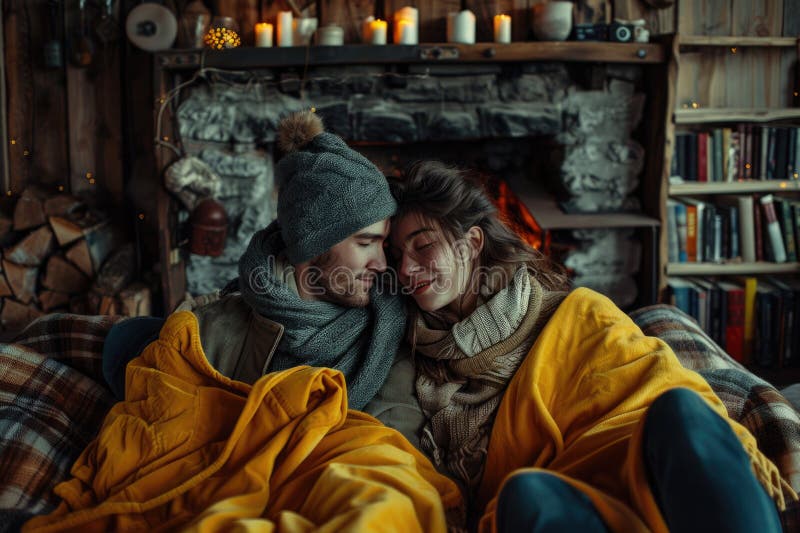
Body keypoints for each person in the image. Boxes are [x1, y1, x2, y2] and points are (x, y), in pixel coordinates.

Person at [387, 160, 795, 532]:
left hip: (645, 458)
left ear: (473, 242)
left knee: (680, 409)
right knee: (524, 493)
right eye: (397, 254)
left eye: (423, 246)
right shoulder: (412, 356)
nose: (406, 269)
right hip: (571, 494)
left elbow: (650, 382)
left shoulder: (577, 313)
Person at [102, 110, 424, 439]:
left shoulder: (387, 336)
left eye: (384, 244)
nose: (381, 263)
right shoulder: (212, 328)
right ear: (313, 243)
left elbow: (392, 444)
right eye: (366, 243)